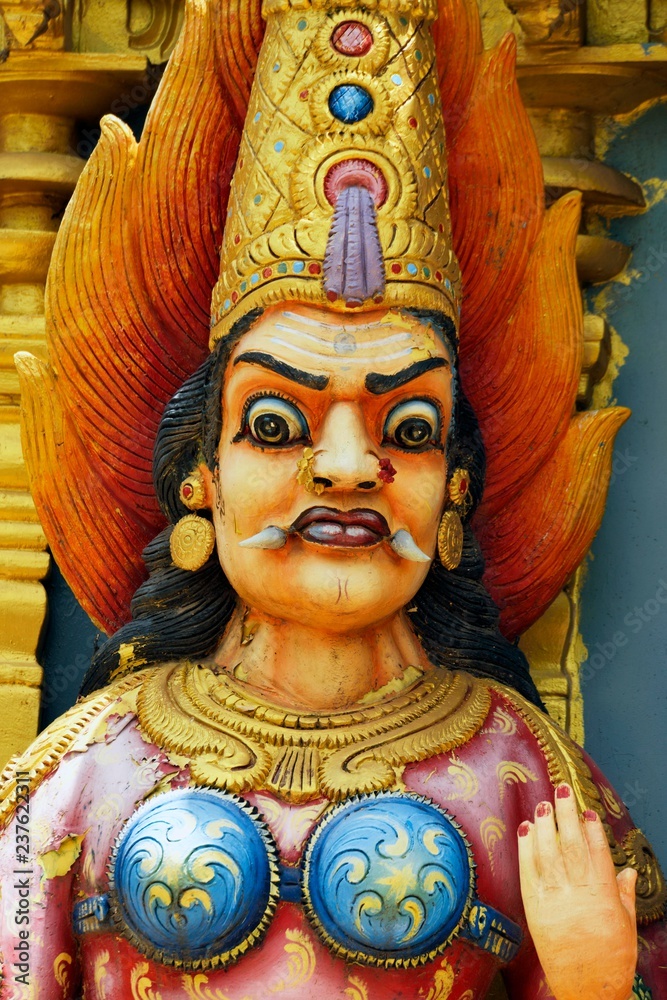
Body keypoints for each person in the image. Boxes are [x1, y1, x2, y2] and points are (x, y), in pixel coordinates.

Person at [1, 0, 665, 997]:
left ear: (456, 494)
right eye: (275, 424)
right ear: (199, 474)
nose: (349, 467)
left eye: (407, 430)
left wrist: (594, 980)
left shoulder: (529, 780)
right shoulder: (85, 774)